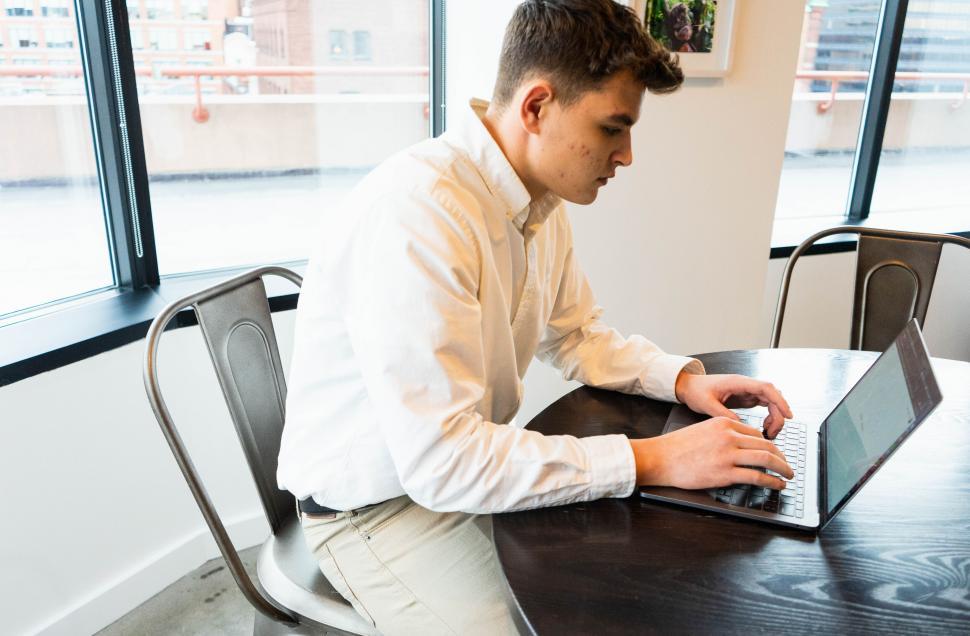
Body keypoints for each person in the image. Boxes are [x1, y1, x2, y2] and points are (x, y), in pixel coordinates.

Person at [278, 1, 794, 633]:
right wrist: (653, 459)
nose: (627, 155)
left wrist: (683, 380)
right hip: (376, 512)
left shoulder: (537, 201)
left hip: (456, 479)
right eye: (612, 128)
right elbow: (445, 462)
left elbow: (577, 334)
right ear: (536, 107)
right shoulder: (417, 217)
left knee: (616, 589)